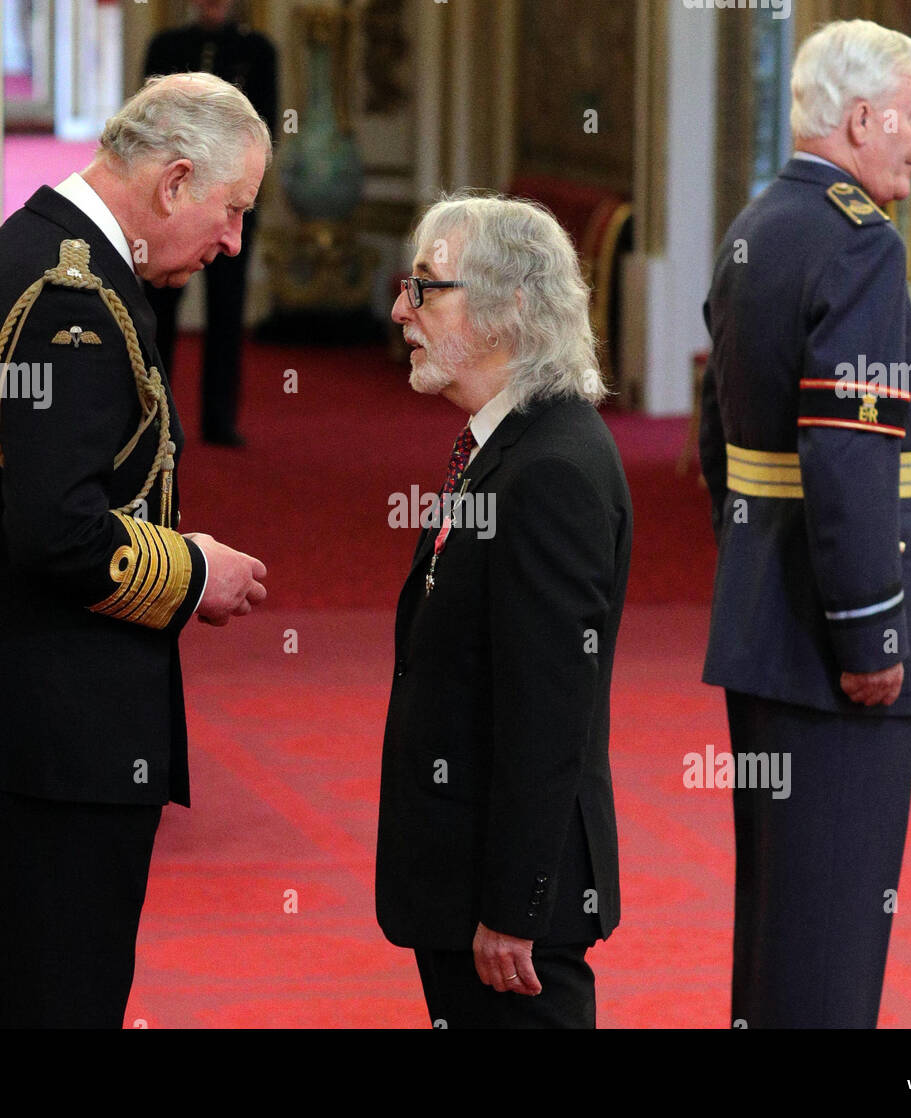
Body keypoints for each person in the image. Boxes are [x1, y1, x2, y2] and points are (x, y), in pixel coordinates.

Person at [0, 73, 271, 1028]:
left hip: (22, 714)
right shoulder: (77, 305)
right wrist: (193, 573)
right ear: (174, 182)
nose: (232, 242)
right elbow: (57, 533)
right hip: (51, 731)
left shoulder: (50, 253)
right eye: (231, 210)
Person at [699, 20, 911, 1028]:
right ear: (860, 118)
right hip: (833, 639)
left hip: (766, 617)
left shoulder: (759, 223)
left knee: (777, 921)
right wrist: (871, 629)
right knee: (831, 945)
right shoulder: (858, 245)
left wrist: (753, 565)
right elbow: (847, 456)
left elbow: (724, 443)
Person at [376, 194, 632, 1029]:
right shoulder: (505, 444)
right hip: (465, 880)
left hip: (516, 913)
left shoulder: (552, 469)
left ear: (510, 306)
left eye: (426, 289)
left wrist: (516, 906)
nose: (400, 311)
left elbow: (549, 708)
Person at [143, 0, 278, 447]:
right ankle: (151, 416)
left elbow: (266, 130)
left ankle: (219, 420)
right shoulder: (165, 46)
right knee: (158, 311)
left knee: (226, 312)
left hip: (230, 206)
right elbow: (146, 127)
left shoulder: (259, 50)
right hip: (172, 203)